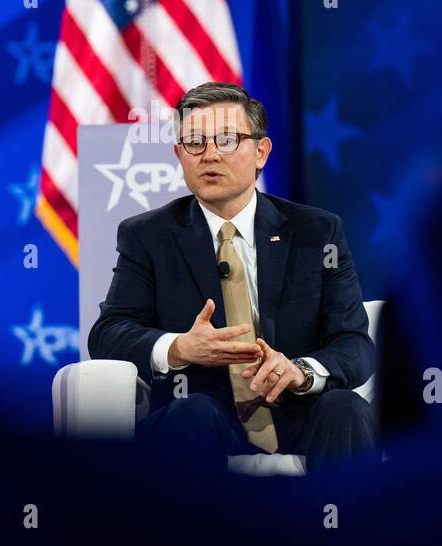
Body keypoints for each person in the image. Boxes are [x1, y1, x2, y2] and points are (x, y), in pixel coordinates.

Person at [88, 82, 377, 474]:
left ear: (261, 152)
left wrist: (301, 371)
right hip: (203, 412)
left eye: (226, 140)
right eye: (194, 142)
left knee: (345, 406)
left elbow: (353, 343)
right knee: (190, 415)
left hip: (299, 412)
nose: (209, 154)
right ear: (178, 154)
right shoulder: (147, 235)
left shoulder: (317, 232)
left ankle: (345, 529)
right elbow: (109, 332)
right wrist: (179, 348)